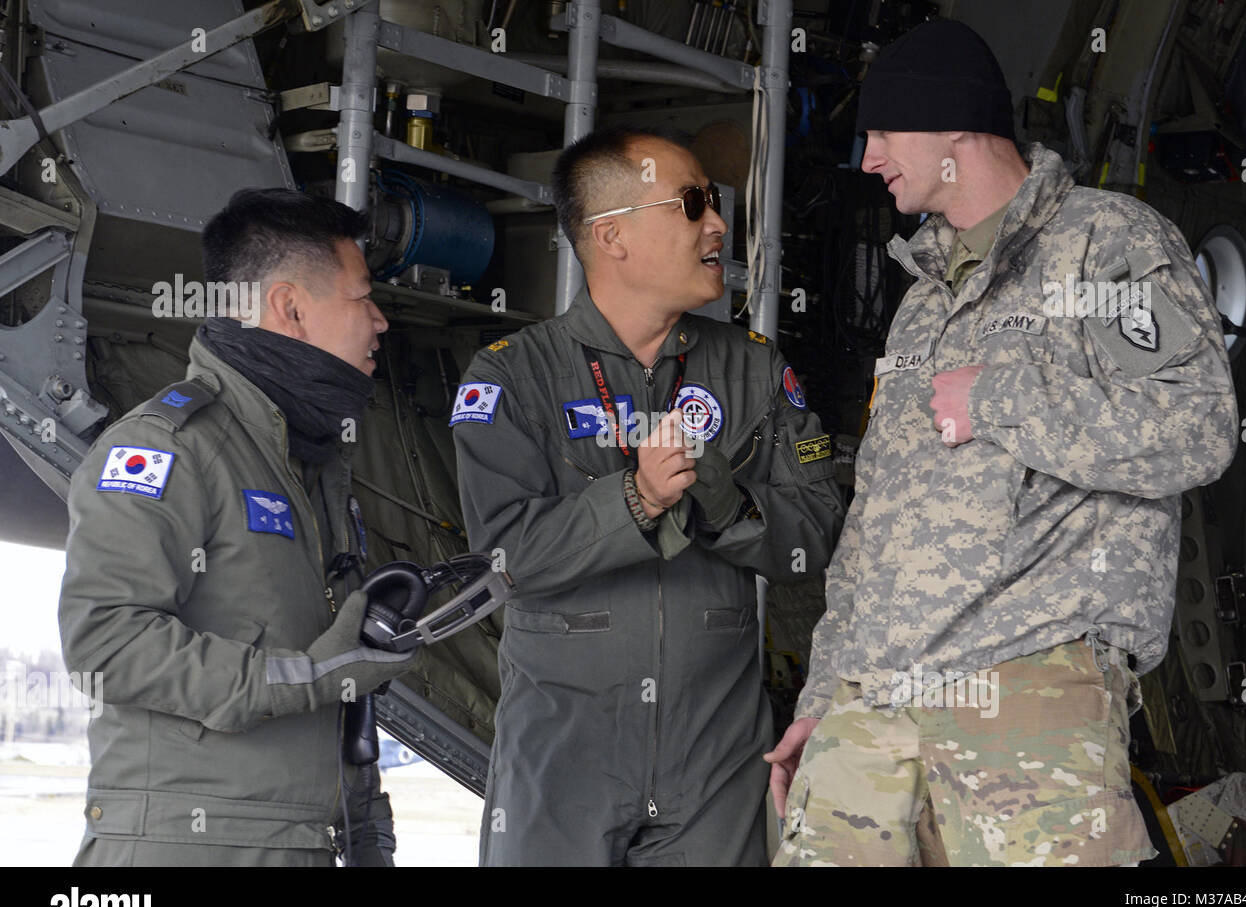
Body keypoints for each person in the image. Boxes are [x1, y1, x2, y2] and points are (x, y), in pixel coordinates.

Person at [767, 20, 1238, 866]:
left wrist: (998, 399)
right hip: (870, 709)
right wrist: (823, 693)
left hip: (1023, 686)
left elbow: (1195, 426)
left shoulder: (1104, 245)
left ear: (953, 126)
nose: (869, 159)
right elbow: (873, 515)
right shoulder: (923, 297)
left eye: (883, 133)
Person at [452, 127, 845, 865]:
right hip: (563, 759)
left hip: (716, 762)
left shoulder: (754, 370)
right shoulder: (512, 376)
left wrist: (725, 502)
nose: (718, 223)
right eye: (693, 203)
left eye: (715, 202)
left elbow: (818, 535)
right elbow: (505, 558)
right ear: (612, 236)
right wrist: (635, 498)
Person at [59, 188, 415, 866]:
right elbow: (105, 645)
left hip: (303, 843)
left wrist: (367, 829)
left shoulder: (311, 461)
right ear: (290, 307)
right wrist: (312, 675)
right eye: (363, 297)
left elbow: (333, 679)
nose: (380, 321)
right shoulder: (169, 447)